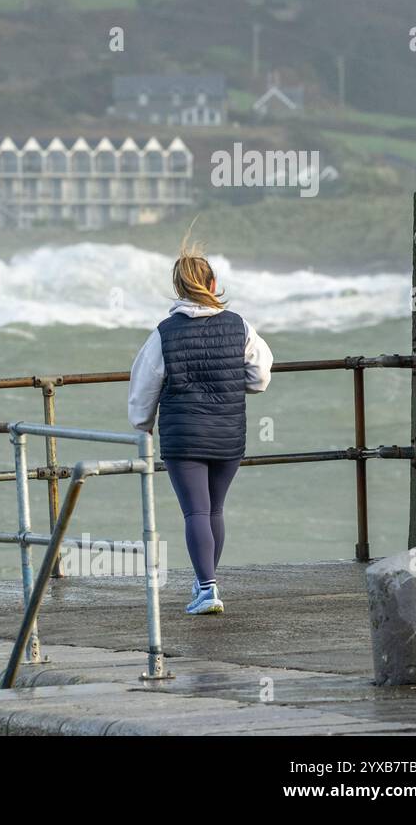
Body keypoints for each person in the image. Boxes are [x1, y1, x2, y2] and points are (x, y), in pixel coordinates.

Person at [127, 236, 273, 615]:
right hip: (228, 433)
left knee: (195, 512)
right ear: (211, 285)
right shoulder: (239, 326)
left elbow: (144, 387)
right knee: (214, 511)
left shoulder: (164, 333)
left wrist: (142, 426)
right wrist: (228, 379)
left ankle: (207, 589)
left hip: (184, 438)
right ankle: (204, 582)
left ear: (178, 288)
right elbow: (259, 378)